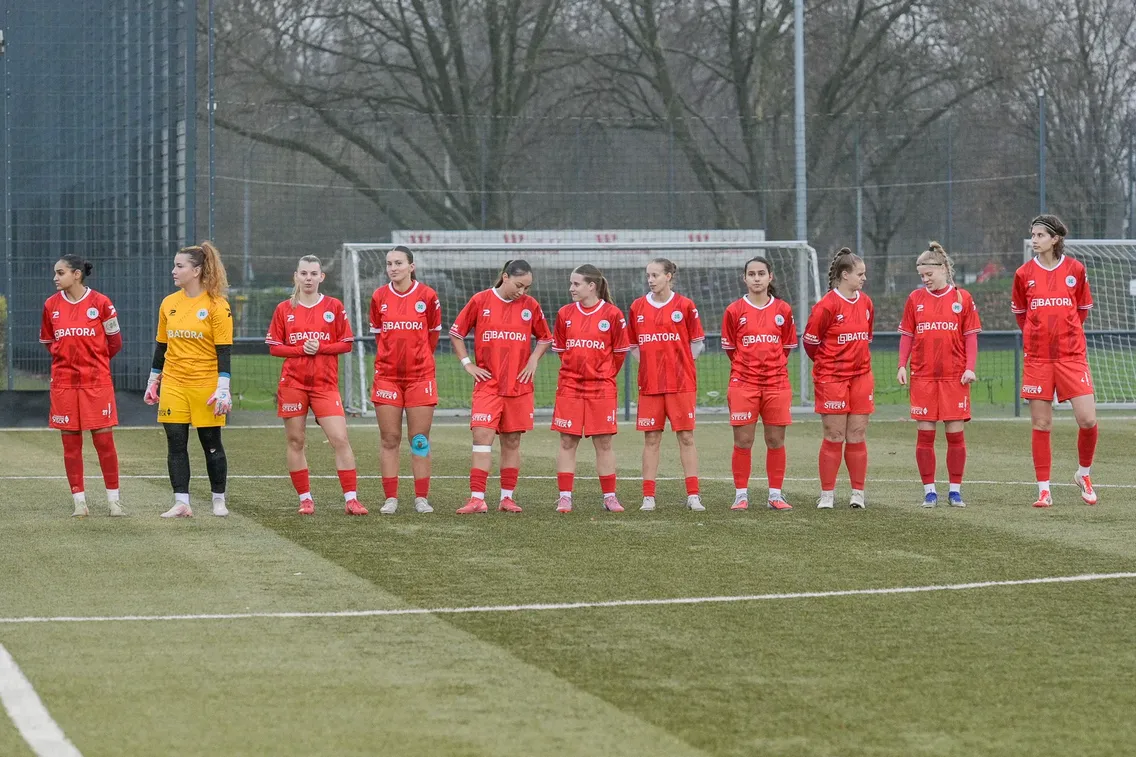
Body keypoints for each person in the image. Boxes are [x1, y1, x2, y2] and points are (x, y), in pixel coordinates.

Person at [449, 260, 553, 514]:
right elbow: (456, 333)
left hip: (519, 386)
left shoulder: (530, 306)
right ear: (505, 277)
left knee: (512, 441)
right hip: (488, 385)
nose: (522, 291)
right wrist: (467, 364)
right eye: (518, 285)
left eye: (526, 287)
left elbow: (545, 338)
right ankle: (477, 498)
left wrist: (533, 360)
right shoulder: (480, 300)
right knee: (481, 437)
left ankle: (507, 498)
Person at [266, 255, 366, 515]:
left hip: (325, 384)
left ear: (322, 277)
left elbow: (346, 343)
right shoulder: (284, 309)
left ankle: (352, 499)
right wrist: (301, 349)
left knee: (340, 439)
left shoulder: (334, 306)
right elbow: (275, 348)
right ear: (296, 276)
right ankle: (305, 499)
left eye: (313, 274)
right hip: (293, 383)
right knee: (296, 440)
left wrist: (321, 347)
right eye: (304, 273)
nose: (308, 278)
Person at [1011, 214, 1098, 507]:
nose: (1034, 240)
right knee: (1041, 424)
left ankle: (1083, 474)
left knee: (1088, 420)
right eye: (1033, 235)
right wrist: (1038, 338)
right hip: (1038, 359)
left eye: (1040, 235)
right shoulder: (1023, 274)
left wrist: (1066, 335)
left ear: (1055, 238)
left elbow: (1081, 310)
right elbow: (1021, 315)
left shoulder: (1076, 269)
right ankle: (1044, 490)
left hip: (1072, 356)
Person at [144, 241, 233, 518]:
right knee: (175, 443)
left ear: (196, 271)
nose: (174, 270)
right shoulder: (169, 303)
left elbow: (224, 350)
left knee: (211, 443)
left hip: (205, 385)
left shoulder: (217, 305)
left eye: (179, 266)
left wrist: (223, 388)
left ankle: (218, 499)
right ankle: (181, 502)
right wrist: (153, 380)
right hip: (173, 383)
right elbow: (162, 345)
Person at [897, 242, 982, 508]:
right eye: (921, 275)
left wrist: (970, 367)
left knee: (955, 434)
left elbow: (970, 337)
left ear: (943, 268)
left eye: (929, 274)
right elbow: (907, 335)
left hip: (954, 377)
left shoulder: (962, 298)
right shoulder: (915, 299)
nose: (925, 279)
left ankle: (955, 490)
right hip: (923, 377)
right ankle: (929, 491)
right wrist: (901, 365)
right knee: (925, 435)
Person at [39, 255, 125, 517]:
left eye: (60, 272)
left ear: (76, 274)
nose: (55, 277)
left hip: (96, 383)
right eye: (55, 273)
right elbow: (49, 342)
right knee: (71, 444)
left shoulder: (101, 303)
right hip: (64, 384)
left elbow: (114, 343)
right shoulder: (51, 305)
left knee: (104, 442)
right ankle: (80, 503)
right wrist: (67, 360)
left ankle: (114, 502)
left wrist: (94, 363)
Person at [550, 264, 630, 513]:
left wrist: (601, 374)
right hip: (570, 387)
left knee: (604, 443)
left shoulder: (613, 314)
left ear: (591, 286)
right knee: (567, 441)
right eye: (571, 283)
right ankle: (565, 497)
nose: (571, 288)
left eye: (576, 284)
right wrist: (576, 371)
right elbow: (562, 351)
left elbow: (619, 354)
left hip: (601, 388)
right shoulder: (564, 313)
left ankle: (609, 497)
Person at [627, 259, 705, 512]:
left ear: (669, 276)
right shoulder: (637, 307)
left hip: (681, 384)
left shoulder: (685, 305)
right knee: (651, 438)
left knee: (686, 437)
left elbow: (697, 343)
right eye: (648, 275)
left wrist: (680, 365)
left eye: (656, 275)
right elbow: (634, 345)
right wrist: (652, 365)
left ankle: (693, 495)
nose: (650, 280)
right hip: (650, 384)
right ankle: (648, 496)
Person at [368, 245, 441, 515]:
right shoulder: (379, 296)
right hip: (387, 378)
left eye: (398, 263)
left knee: (419, 439)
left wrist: (418, 359)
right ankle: (391, 498)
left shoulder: (427, 296)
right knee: (389, 439)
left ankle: (421, 498)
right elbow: (379, 336)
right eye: (389, 263)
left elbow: (432, 335)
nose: (393, 268)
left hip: (420, 377)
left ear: (411, 267)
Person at [721, 257, 797, 512]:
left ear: (770, 277)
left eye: (761, 273)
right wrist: (749, 368)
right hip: (744, 383)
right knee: (743, 441)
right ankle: (741, 495)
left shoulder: (783, 310)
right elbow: (731, 349)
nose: (756, 278)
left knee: (775, 440)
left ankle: (775, 495)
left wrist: (771, 367)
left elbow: (786, 347)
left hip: (776, 383)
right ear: (744, 278)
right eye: (751, 274)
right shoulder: (734, 310)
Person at [803, 247, 874, 509]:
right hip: (832, 378)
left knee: (857, 433)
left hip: (861, 377)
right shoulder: (826, 306)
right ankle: (827, 495)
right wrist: (829, 365)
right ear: (845, 275)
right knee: (834, 435)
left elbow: (866, 337)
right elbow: (810, 343)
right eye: (860, 273)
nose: (864, 278)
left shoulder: (866, 303)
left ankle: (858, 494)